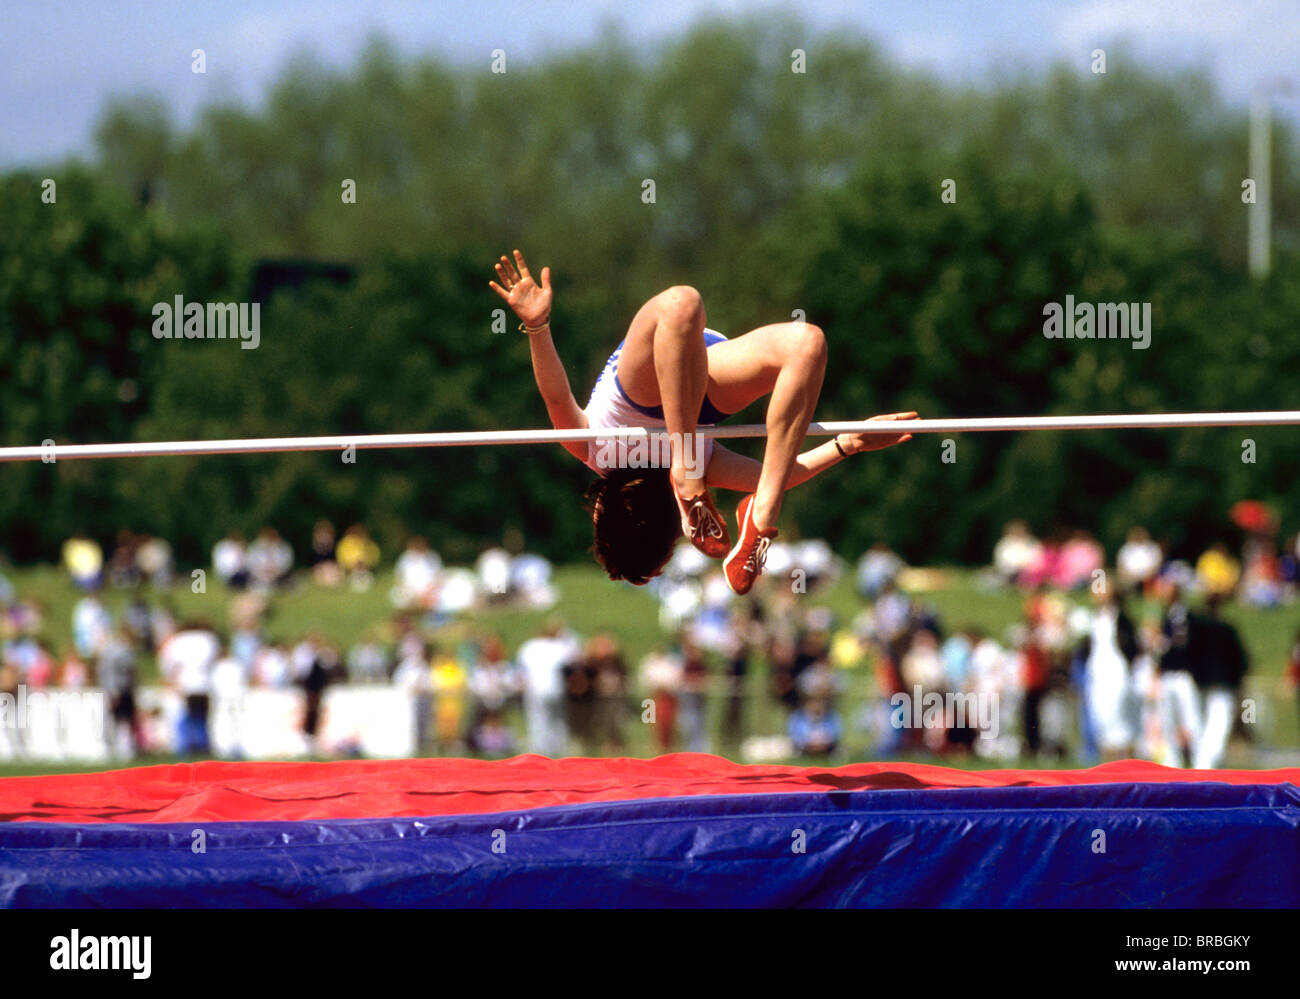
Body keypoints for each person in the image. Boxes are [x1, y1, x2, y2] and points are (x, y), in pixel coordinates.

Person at [489, 249, 915, 594]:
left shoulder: (604, 450)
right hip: (690, 391)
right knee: (804, 343)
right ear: (601, 512)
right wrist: (537, 326)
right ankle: (761, 515)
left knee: (687, 309)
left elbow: (787, 473)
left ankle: (693, 468)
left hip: (671, 392)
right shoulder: (591, 450)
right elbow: (555, 395)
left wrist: (848, 445)